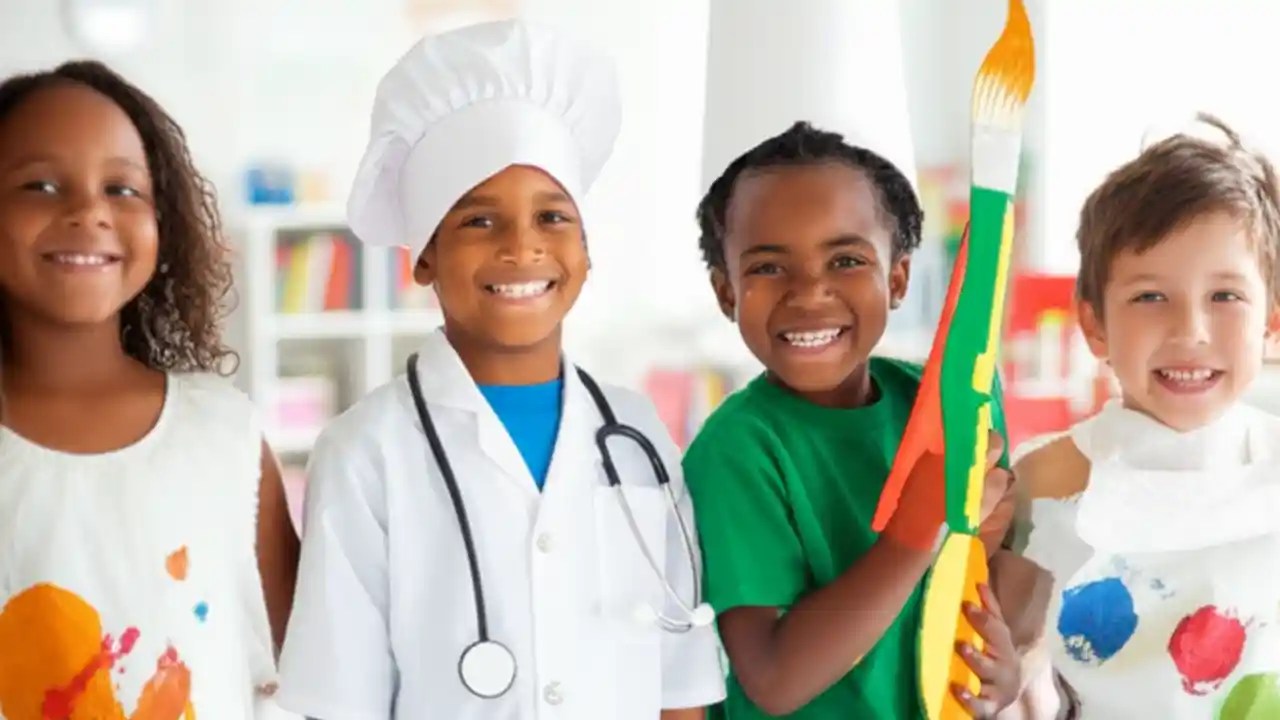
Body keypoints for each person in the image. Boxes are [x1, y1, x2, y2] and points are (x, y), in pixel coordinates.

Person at [276, 18, 726, 720]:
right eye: (479, 221)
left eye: (553, 217)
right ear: (422, 254)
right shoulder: (365, 451)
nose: (523, 247)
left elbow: (678, 683)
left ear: (586, 248)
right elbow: (341, 701)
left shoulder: (635, 429)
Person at [683, 121, 1022, 720]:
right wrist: (913, 533)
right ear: (726, 292)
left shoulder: (950, 403)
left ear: (897, 279)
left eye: (845, 259)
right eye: (767, 267)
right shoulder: (738, 448)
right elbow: (773, 679)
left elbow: (982, 580)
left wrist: (1003, 664)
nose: (810, 292)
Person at [0, 61, 299, 718]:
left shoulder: (225, 435)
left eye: (122, 188)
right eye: (41, 185)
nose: (88, 211)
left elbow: (299, 665)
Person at [1009, 114, 1280, 719]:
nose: (1191, 331)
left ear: (1271, 321)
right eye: (1150, 297)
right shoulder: (1044, 482)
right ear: (1095, 325)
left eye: (1225, 296)